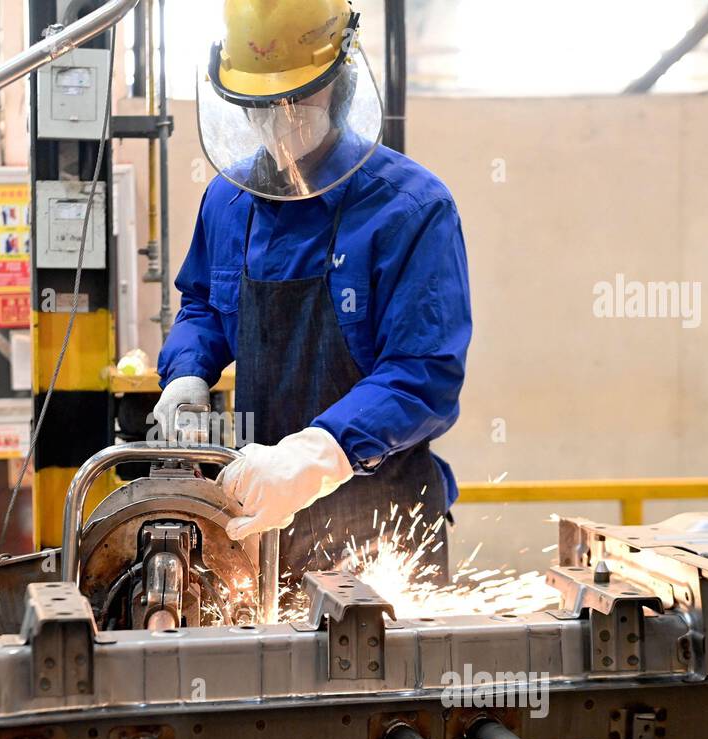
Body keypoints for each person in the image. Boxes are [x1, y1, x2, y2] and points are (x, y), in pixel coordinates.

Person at [153, 0, 472, 582]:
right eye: (258, 103)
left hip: (381, 525)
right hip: (259, 516)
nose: (279, 116)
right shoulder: (227, 201)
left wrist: (315, 455)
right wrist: (186, 372)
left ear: (341, 82)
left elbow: (424, 375)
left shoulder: (410, 208)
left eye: (298, 97)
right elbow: (202, 303)